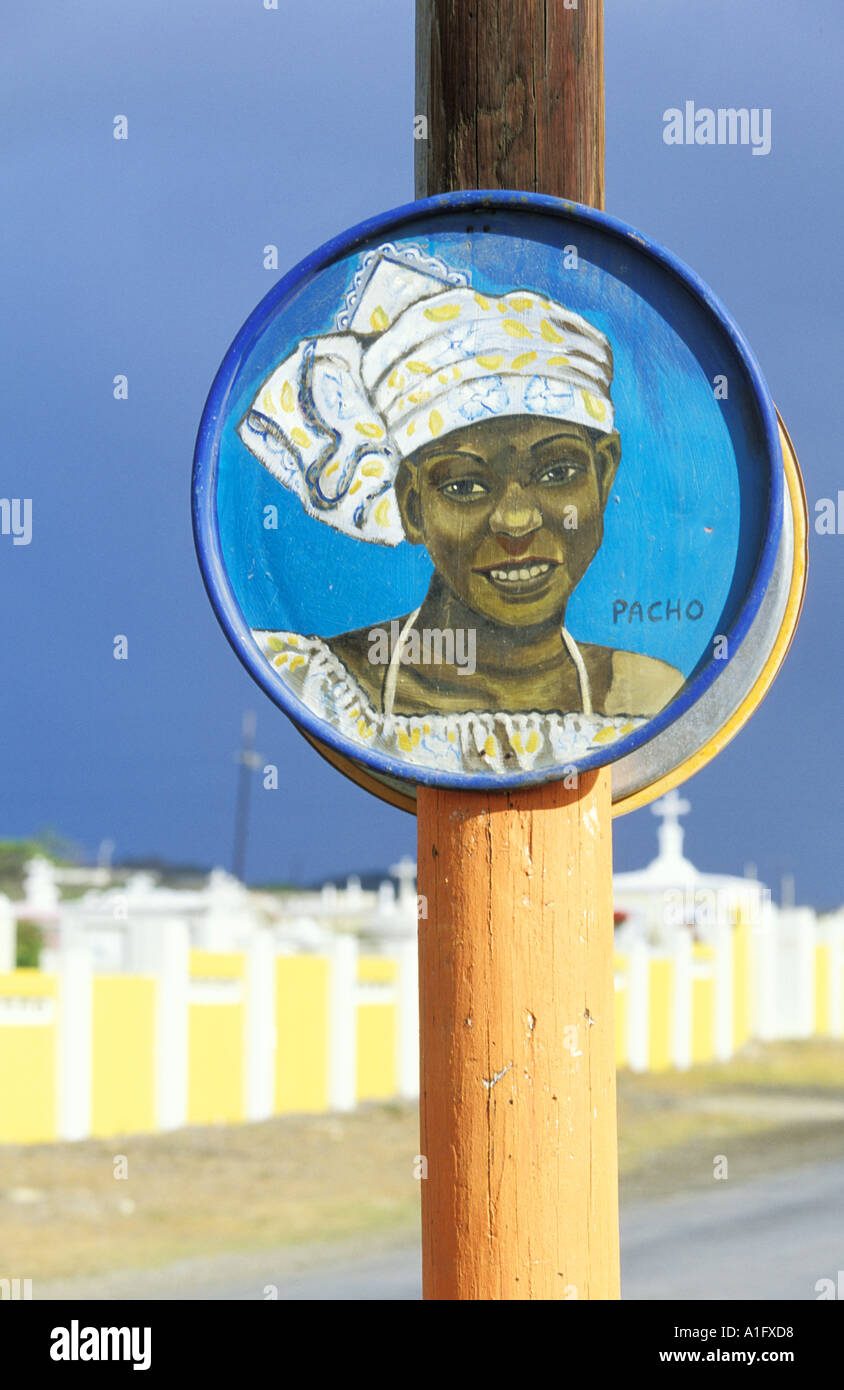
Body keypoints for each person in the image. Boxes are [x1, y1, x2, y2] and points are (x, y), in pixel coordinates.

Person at [237, 244, 684, 774]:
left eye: (558, 473)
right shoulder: (319, 685)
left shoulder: (649, 698)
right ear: (411, 504)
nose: (516, 522)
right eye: (466, 486)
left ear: (605, 474)